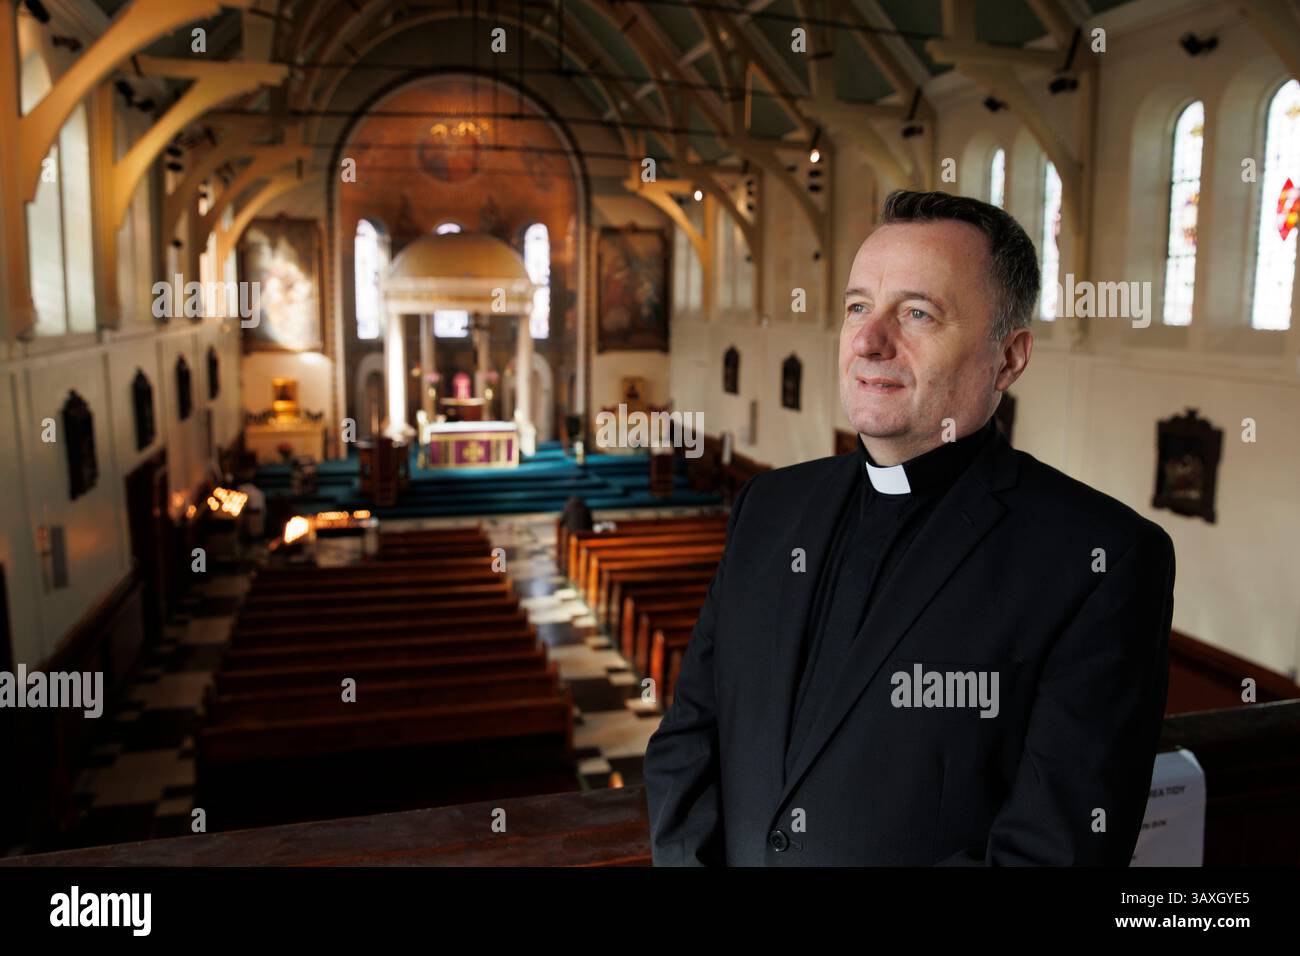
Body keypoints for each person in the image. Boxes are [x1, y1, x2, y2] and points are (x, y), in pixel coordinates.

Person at [643, 189, 1176, 866]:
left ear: (1008, 358)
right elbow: (688, 736)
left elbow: (1056, 850)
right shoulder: (769, 508)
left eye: (917, 313)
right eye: (858, 306)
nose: (869, 340)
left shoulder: (1099, 558)